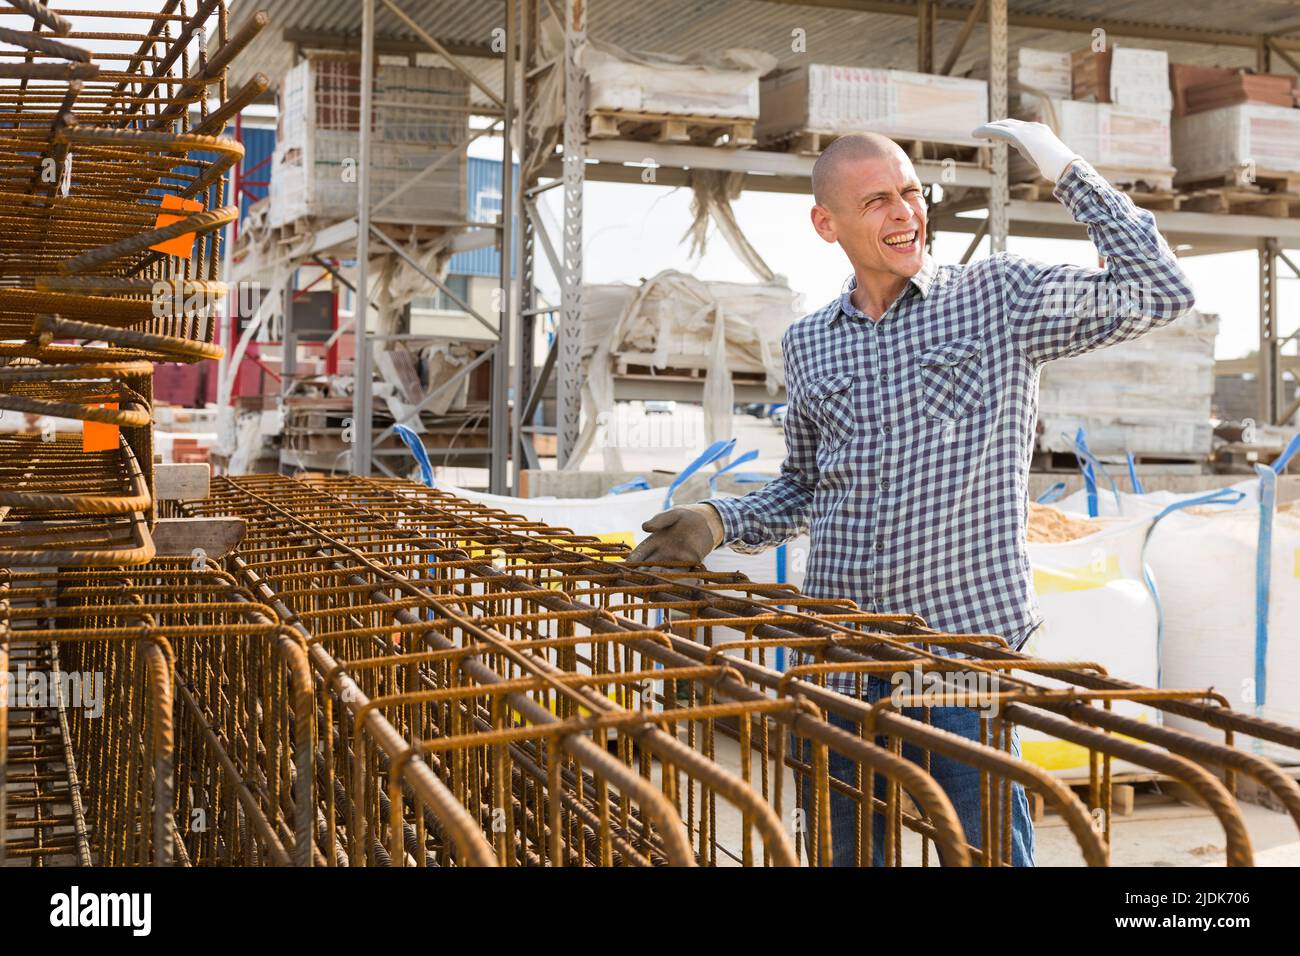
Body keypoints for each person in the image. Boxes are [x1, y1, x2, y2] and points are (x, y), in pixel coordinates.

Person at [625, 119, 1196, 866]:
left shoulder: (996, 299)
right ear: (825, 223)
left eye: (912, 194)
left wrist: (1063, 168)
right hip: (836, 653)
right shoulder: (811, 342)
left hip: (954, 651)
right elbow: (804, 486)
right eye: (877, 202)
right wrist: (716, 518)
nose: (905, 214)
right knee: (844, 855)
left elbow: (1161, 291)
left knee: (985, 852)